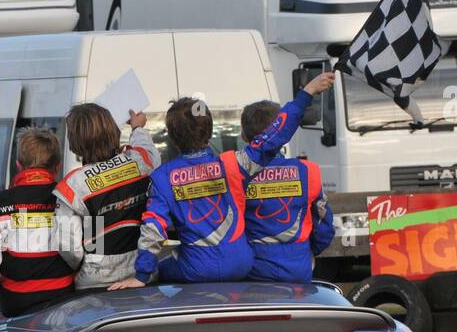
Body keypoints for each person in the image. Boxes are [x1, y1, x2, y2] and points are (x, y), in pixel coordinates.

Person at [112, 82, 323, 289]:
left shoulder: (162, 177)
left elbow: (154, 228)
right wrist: (306, 93)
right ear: (210, 131)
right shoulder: (233, 164)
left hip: (195, 270)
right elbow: (274, 135)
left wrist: (142, 275)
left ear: (173, 139)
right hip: (242, 265)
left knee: (159, 267)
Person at [224, 81, 336, 283]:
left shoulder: (235, 172)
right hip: (298, 270)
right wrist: (304, 252)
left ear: (243, 134)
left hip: (251, 272)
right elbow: (324, 227)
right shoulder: (307, 171)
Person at [0, 127, 75, 317]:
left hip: (16, 302)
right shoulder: (70, 198)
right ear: (57, 166)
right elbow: (91, 248)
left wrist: (2, 282)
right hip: (64, 299)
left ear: (18, 165)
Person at [54, 103, 157, 289]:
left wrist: (84, 265)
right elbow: (148, 149)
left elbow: (69, 248)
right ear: (113, 130)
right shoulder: (141, 160)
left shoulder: (72, 186)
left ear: (75, 144)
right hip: (143, 275)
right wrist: (137, 128)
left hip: (97, 282)